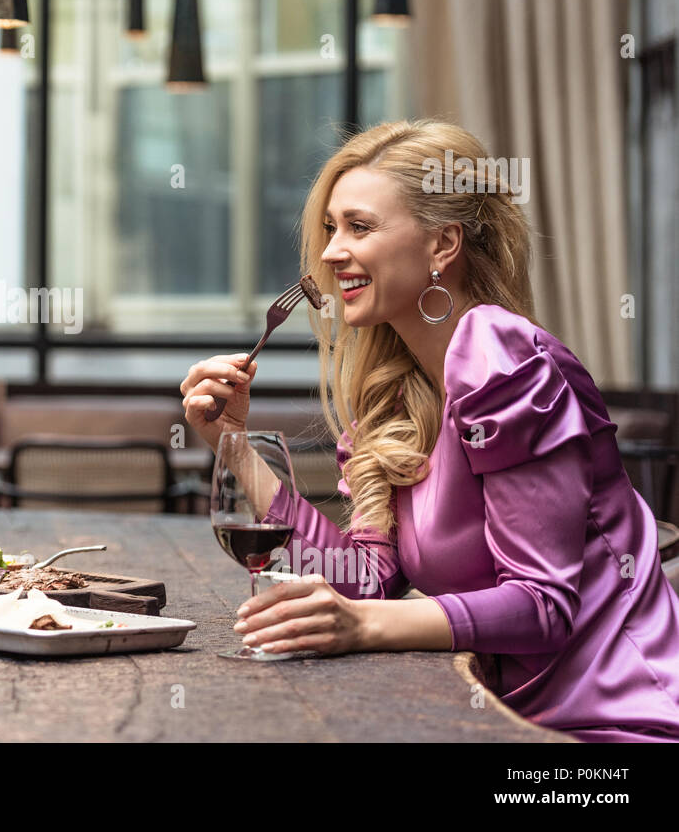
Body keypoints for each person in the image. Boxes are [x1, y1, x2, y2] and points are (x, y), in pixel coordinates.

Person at [180, 119, 679, 742]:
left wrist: (362, 627)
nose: (332, 252)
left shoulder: (502, 358)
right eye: (331, 228)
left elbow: (542, 608)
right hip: (500, 720)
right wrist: (235, 445)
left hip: (614, 727)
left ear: (443, 246)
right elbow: (368, 582)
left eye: (359, 227)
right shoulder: (392, 403)